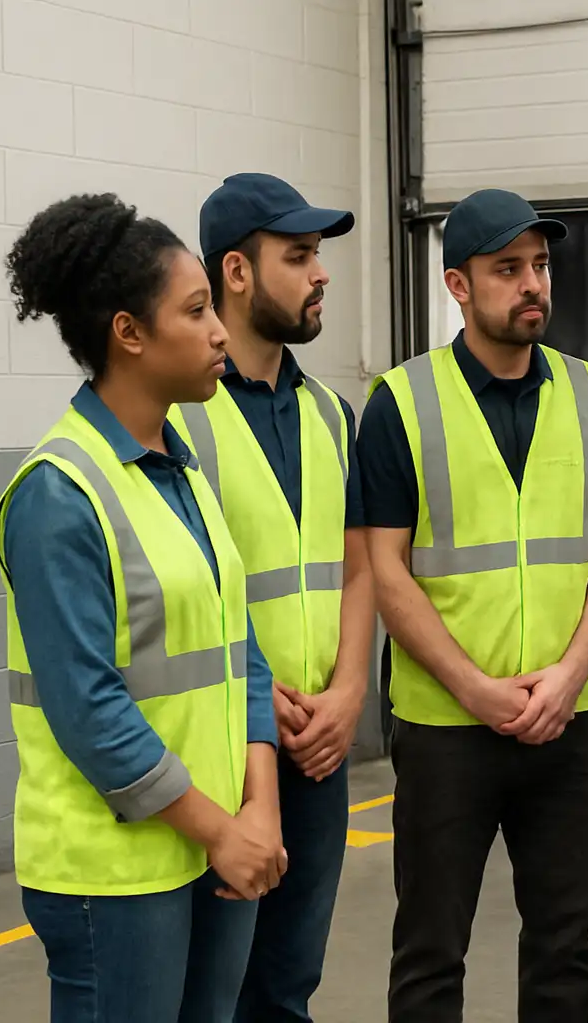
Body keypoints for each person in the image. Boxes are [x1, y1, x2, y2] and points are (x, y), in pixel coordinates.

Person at [0, 193, 289, 1023]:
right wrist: (222, 831)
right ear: (129, 333)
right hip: (115, 874)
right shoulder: (58, 493)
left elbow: (242, 654)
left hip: (212, 845)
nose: (220, 331)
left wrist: (260, 809)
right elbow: (89, 709)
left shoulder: (182, 471)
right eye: (196, 312)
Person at [358, 188, 588, 1021]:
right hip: (445, 730)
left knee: (564, 949)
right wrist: (475, 689)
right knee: (429, 954)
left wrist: (568, 676)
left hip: (567, 723)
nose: (532, 284)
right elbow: (386, 570)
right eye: (507, 269)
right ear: (458, 285)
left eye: (541, 266)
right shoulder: (402, 403)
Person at [169, 171, 374, 1022]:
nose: (321, 274)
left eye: (318, 254)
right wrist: (265, 702)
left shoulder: (331, 414)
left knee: (288, 991)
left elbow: (357, 569)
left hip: (319, 752)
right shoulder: (177, 420)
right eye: (298, 256)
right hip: (220, 759)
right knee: (210, 996)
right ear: (237, 272)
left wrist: (349, 694)